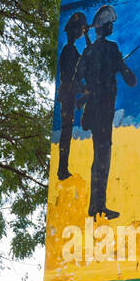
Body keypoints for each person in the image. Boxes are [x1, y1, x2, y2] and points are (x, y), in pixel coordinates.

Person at [76, 4, 137, 220]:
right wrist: (121, 68)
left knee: (98, 156)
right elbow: (130, 79)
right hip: (103, 111)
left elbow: (78, 80)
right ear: (105, 27)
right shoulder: (111, 49)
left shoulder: (88, 51)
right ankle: (98, 206)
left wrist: (87, 92)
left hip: (92, 111)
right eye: (110, 24)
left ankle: (96, 205)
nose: (112, 27)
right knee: (103, 157)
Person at [56, 12, 90, 180]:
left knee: (66, 133)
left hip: (67, 93)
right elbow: (72, 76)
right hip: (67, 94)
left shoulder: (70, 50)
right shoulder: (69, 51)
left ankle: (63, 169)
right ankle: (62, 170)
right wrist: (83, 90)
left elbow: (80, 71)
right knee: (65, 133)